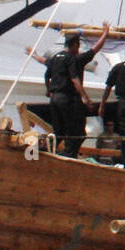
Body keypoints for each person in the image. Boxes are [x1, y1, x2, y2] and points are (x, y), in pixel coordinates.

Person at [44, 23, 110, 157]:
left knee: (59, 131)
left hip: (54, 99)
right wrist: (105, 34)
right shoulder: (75, 59)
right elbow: (94, 50)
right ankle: (68, 155)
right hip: (68, 99)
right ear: (75, 45)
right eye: (78, 46)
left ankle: (46, 152)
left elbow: (46, 75)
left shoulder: (55, 58)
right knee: (77, 132)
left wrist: (48, 90)